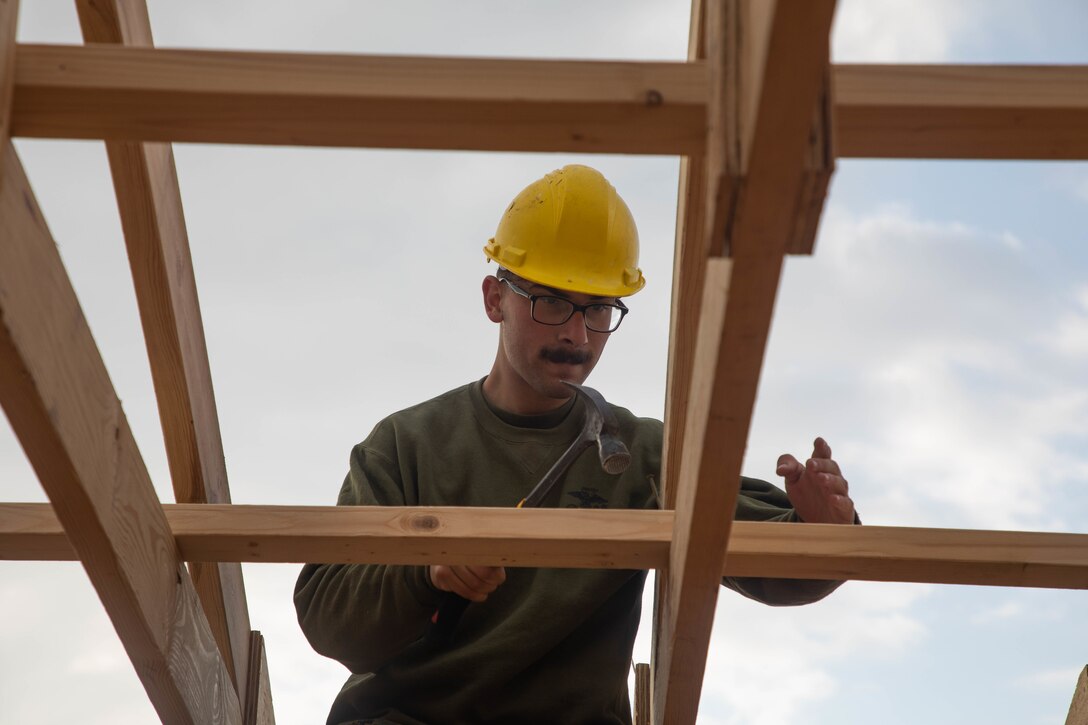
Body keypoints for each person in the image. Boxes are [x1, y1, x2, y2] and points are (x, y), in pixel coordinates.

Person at [295, 164, 858, 725]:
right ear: (495, 299)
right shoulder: (406, 444)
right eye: (552, 302)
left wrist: (825, 531)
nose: (577, 334)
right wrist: (427, 572)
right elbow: (327, 617)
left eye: (597, 309)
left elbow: (780, 564)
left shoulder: (645, 453)